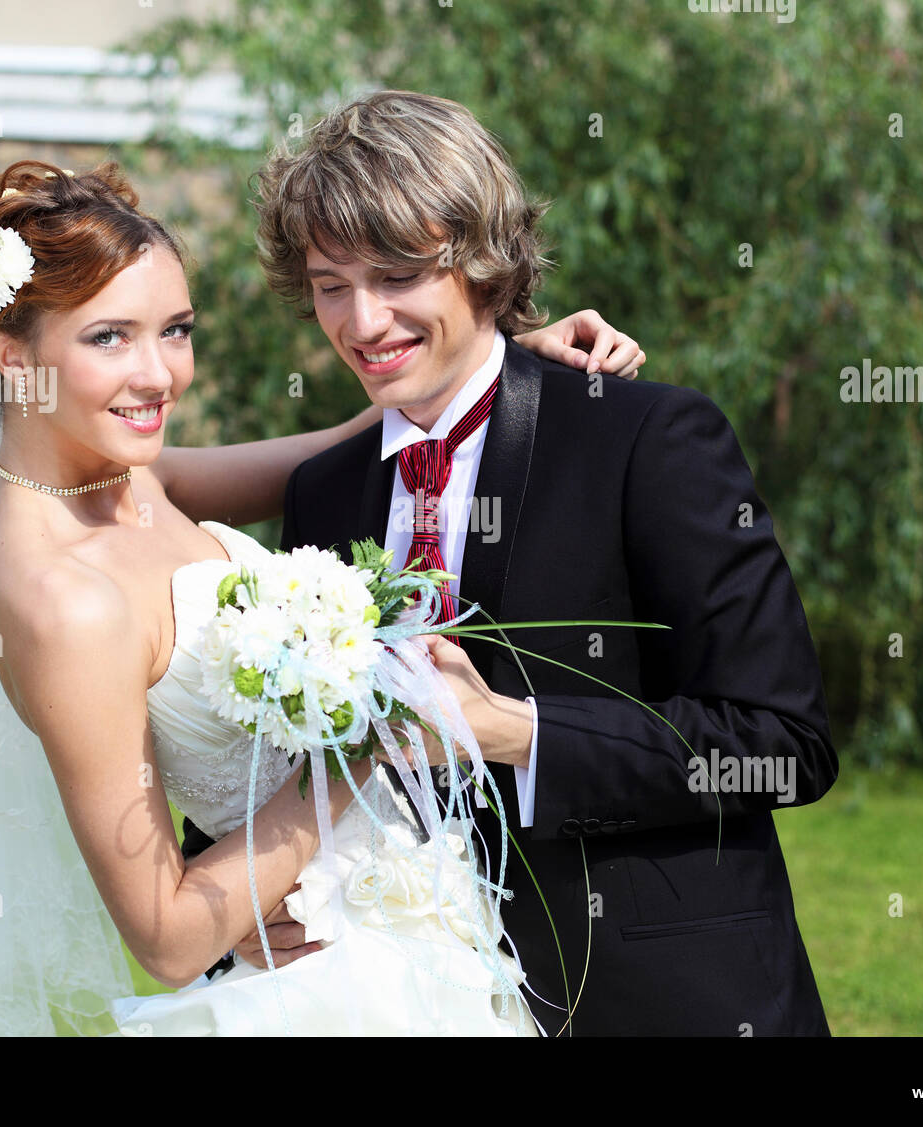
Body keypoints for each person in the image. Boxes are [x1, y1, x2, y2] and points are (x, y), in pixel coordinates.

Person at [0, 156, 645, 1036]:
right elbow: (166, 932)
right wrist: (367, 744)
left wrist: (492, 368)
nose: (159, 375)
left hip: (408, 911)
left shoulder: (131, 480)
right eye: (109, 338)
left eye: (176, 330)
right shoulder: (60, 598)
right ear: (11, 353)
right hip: (335, 981)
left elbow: (333, 449)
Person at [179, 90, 839, 1036]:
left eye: (399, 273)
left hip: (656, 1000)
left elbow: (781, 743)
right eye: (330, 283)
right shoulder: (327, 493)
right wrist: (244, 899)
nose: (362, 321)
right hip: (401, 994)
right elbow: (281, 740)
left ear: (483, 264)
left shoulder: (647, 439)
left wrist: (515, 731)